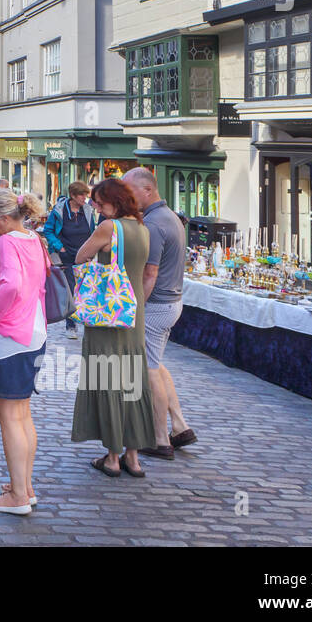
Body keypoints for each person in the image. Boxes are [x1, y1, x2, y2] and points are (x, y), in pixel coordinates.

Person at [70, 178, 156, 479]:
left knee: (107, 380)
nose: (95, 206)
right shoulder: (144, 230)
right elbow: (147, 273)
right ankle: (133, 458)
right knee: (132, 383)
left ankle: (112, 457)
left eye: (99, 201)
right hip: (133, 315)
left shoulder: (109, 228)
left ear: (114, 202)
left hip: (107, 316)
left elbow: (80, 257)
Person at [0, 189, 49, 515]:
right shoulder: (32, 237)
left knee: (9, 418)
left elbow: (12, 285)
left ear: (3, 218)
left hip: (9, 334)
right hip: (34, 330)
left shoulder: (6, 242)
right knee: (22, 414)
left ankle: (18, 494)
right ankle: (25, 485)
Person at [122, 167, 197, 459]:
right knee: (156, 363)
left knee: (150, 370)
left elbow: (149, 273)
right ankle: (179, 426)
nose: (128, 197)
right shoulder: (168, 217)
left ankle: (160, 439)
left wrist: (135, 307)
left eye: (131, 191)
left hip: (156, 305)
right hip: (170, 302)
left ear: (147, 190)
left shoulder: (153, 223)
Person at [42, 181, 97, 340]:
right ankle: (71, 325)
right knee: (71, 291)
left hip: (84, 256)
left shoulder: (87, 210)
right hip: (66, 256)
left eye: (86, 195)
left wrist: (91, 250)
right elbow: (48, 230)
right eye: (82, 195)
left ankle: (87, 321)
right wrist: (60, 248)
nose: (85, 198)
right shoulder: (59, 210)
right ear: (73, 195)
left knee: (86, 290)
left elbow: (92, 232)